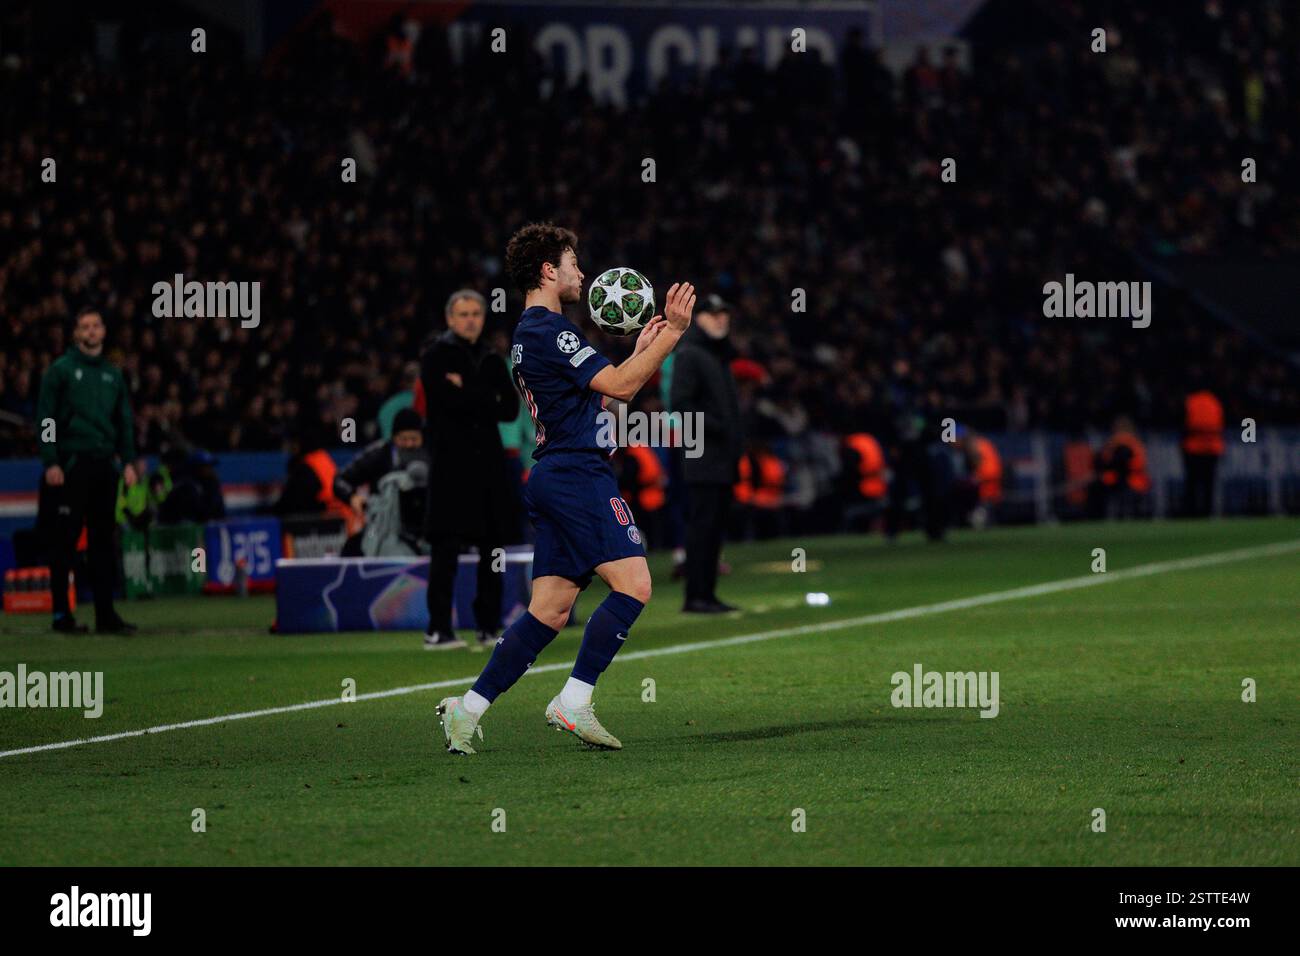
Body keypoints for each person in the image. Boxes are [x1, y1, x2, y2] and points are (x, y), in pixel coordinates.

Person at [437, 222, 695, 754]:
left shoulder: (533, 333)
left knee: (550, 612)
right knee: (635, 585)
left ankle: (468, 709)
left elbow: (610, 399)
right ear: (549, 270)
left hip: (556, 473)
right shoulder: (549, 331)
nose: (582, 273)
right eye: (574, 263)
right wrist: (672, 332)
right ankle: (573, 701)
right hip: (577, 474)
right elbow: (621, 385)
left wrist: (642, 351)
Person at [420, 290, 519, 650]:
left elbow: (510, 409)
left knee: (492, 549)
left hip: (488, 466)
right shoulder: (435, 356)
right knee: (445, 548)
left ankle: (488, 627)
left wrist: (468, 391)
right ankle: (438, 630)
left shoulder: (492, 358)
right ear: (450, 319)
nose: (471, 320)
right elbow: (445, 402)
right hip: (450, 465)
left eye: (476, 313)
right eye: (463, 314)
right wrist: (485, 397)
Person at [35, 306, 138, 634]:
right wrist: (51, 460)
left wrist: (128, 460)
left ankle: (105, 615)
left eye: (96, 325)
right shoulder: (60, 371)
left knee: (102, 542)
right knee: (64, 541)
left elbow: (124, 421)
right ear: (76, 333)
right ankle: (61, 615)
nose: (91, 331)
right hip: (71, 464)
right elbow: (46, 418)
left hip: (104, 465)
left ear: (104, 331)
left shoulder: (113, 374)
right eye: (85, 326)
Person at [670, 294, 743, 613]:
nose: (721, 318)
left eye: (724, 313)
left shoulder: (716, 355)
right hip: (703, 456)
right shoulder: (691, 354)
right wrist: (719, 427)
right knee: (703, 527)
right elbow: (680, 404)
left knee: (713, 528)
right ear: (697, 318)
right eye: (713, 314)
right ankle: (696, 595)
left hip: (720, 457)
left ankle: (706, 593)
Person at [1181, 386, 1224, 517]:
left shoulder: (1191, 401)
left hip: (1193, 448)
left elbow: (1184, 423)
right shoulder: (1215, 401)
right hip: (1212, 448)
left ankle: (1191, 513)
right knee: (1208, 484)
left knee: (1192, 483)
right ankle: (1208, 513)